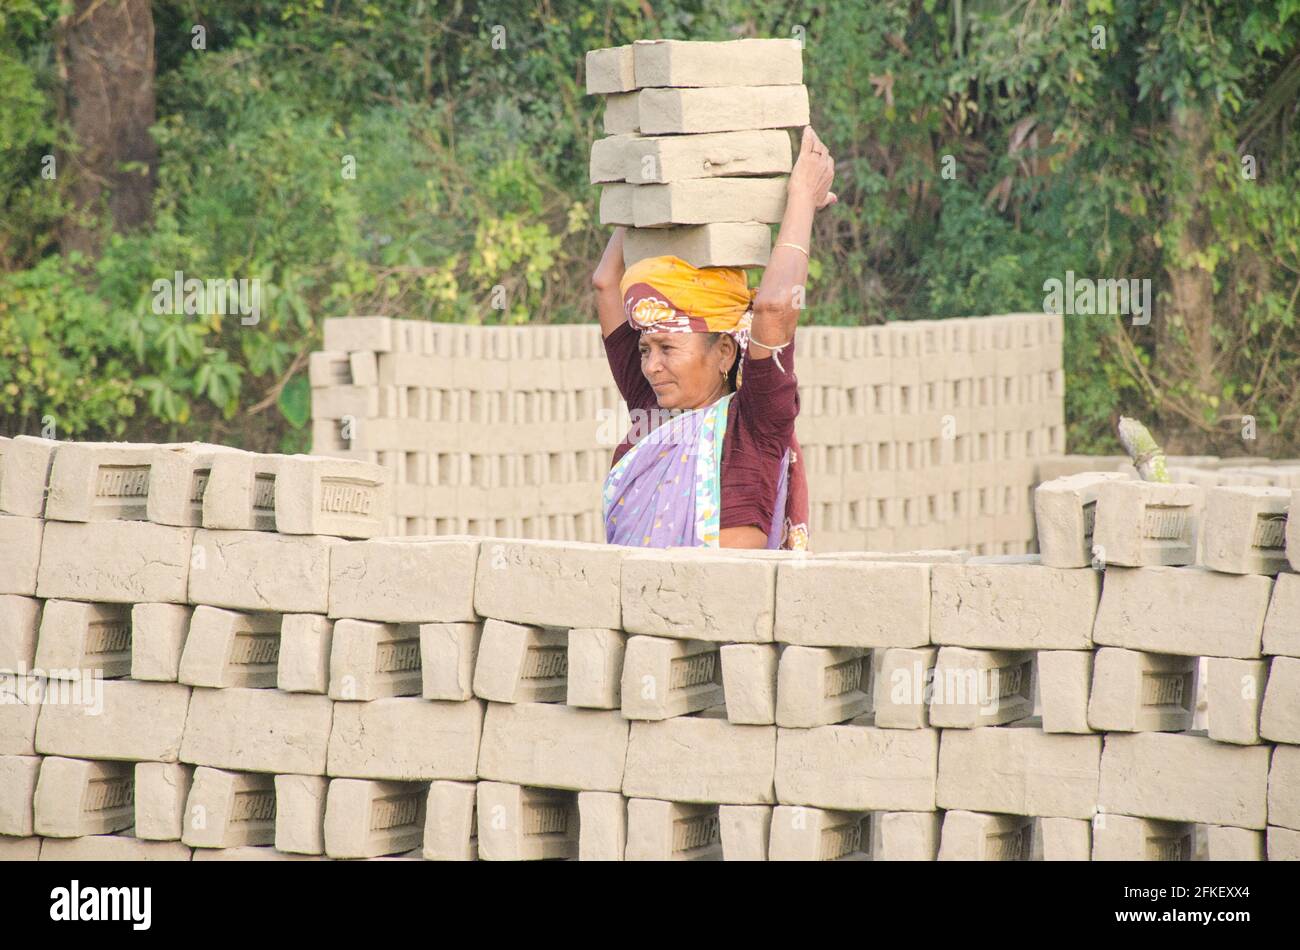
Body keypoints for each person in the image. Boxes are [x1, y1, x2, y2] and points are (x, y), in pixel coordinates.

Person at [591, 125, 837, 550]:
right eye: (645, 349)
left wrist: (801, 201)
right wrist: (646, 193)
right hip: (638, 609)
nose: (650, 366)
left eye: (667, 348)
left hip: (724, 613)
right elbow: (604, 283)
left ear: (724, 351)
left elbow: (775, 307)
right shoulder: (650, 410)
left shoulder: (756, 421)